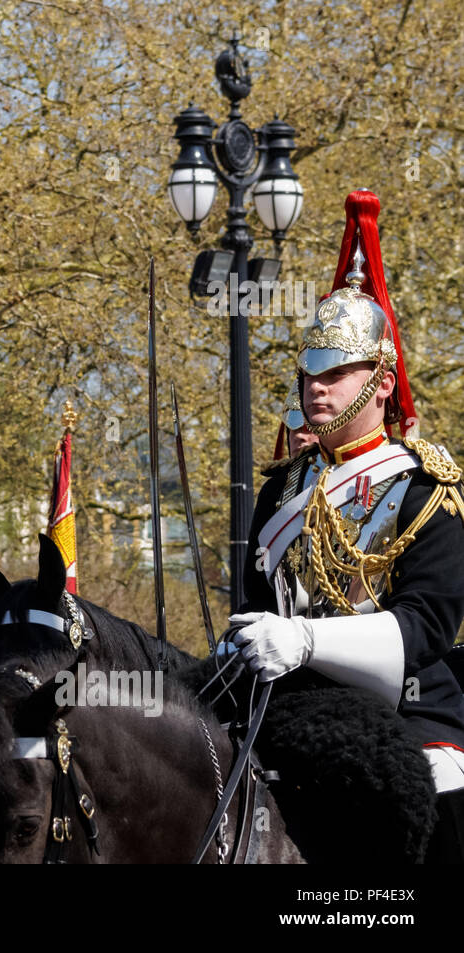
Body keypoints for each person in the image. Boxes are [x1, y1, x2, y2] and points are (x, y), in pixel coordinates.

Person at [232, 189, 464, 862]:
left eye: (336, 372)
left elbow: (423, 630)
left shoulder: (425, 488)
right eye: (309, 371)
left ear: (382, 383)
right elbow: (254, 605)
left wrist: (305, 638)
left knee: (442, 790)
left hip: (404, 710)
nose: (316, 387)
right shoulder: (283, 487)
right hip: (286, 709)